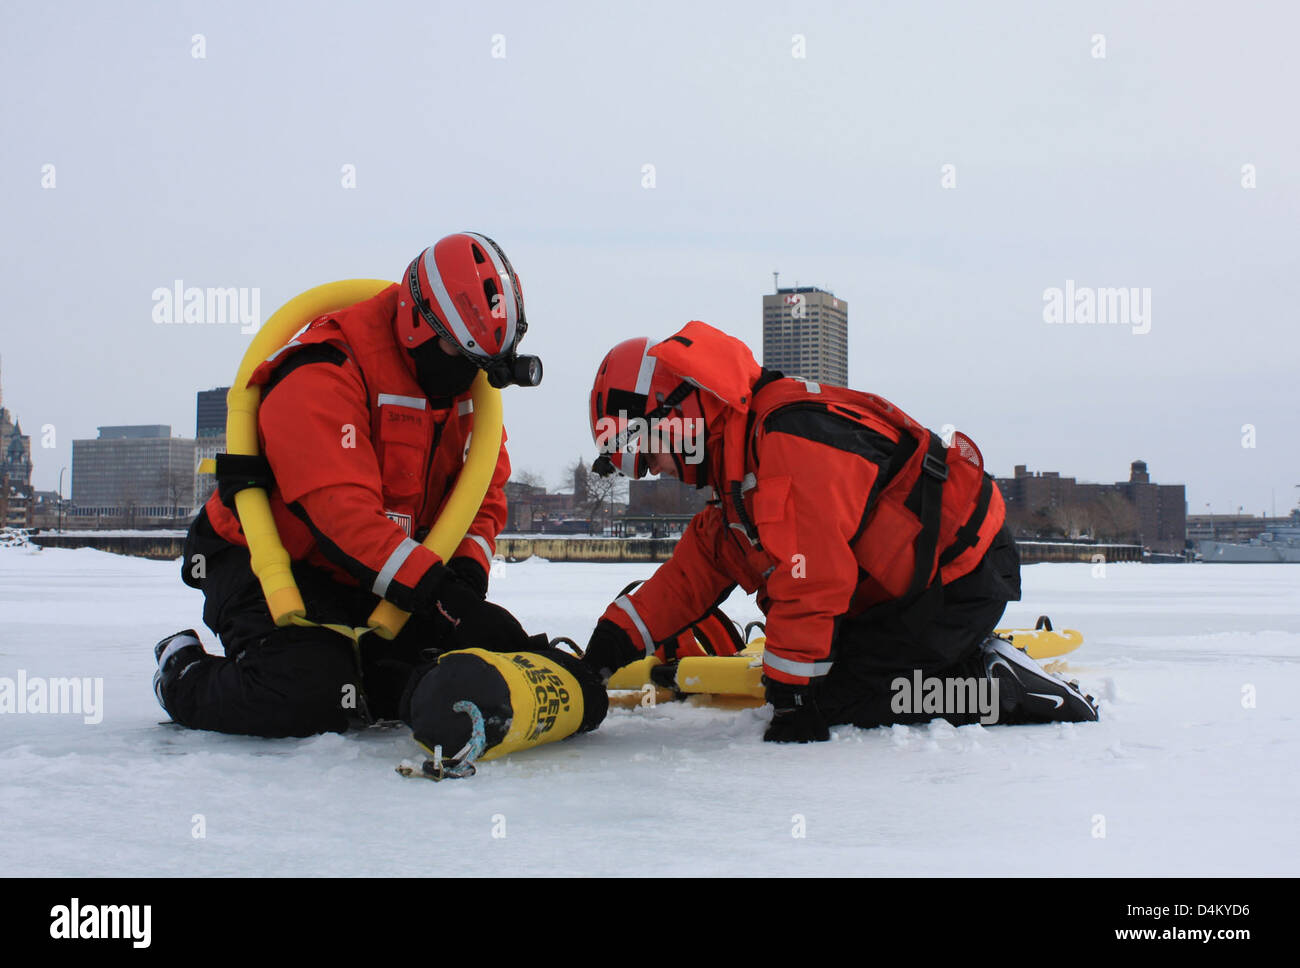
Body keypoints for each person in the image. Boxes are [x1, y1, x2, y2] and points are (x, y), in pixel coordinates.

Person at [582, 320, 1099, 742]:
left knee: (845, 696)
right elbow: (692, 574)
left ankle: (991, 687)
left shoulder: (782, 446)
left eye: (644, 452)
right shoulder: (742, 465)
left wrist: (794, 696)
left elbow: (812, 578)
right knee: (828, 673)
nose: (651, 470)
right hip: (922, 581)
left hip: (960, 574)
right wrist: (607, 648)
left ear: (679, 410)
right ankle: (959, 658)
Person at [154, 232, 545, 738]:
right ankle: (182, 671)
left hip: (374, 572)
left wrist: (466, 580)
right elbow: (342, 515)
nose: (470, 374)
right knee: (310, 692)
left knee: (424, 673)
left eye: (483, 365)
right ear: (417, 323)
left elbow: (482, 492)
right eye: (458, 353)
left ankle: (369, 670)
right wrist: (443, 596)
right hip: (260, 556)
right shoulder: (325, 370)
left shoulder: (468, 386)